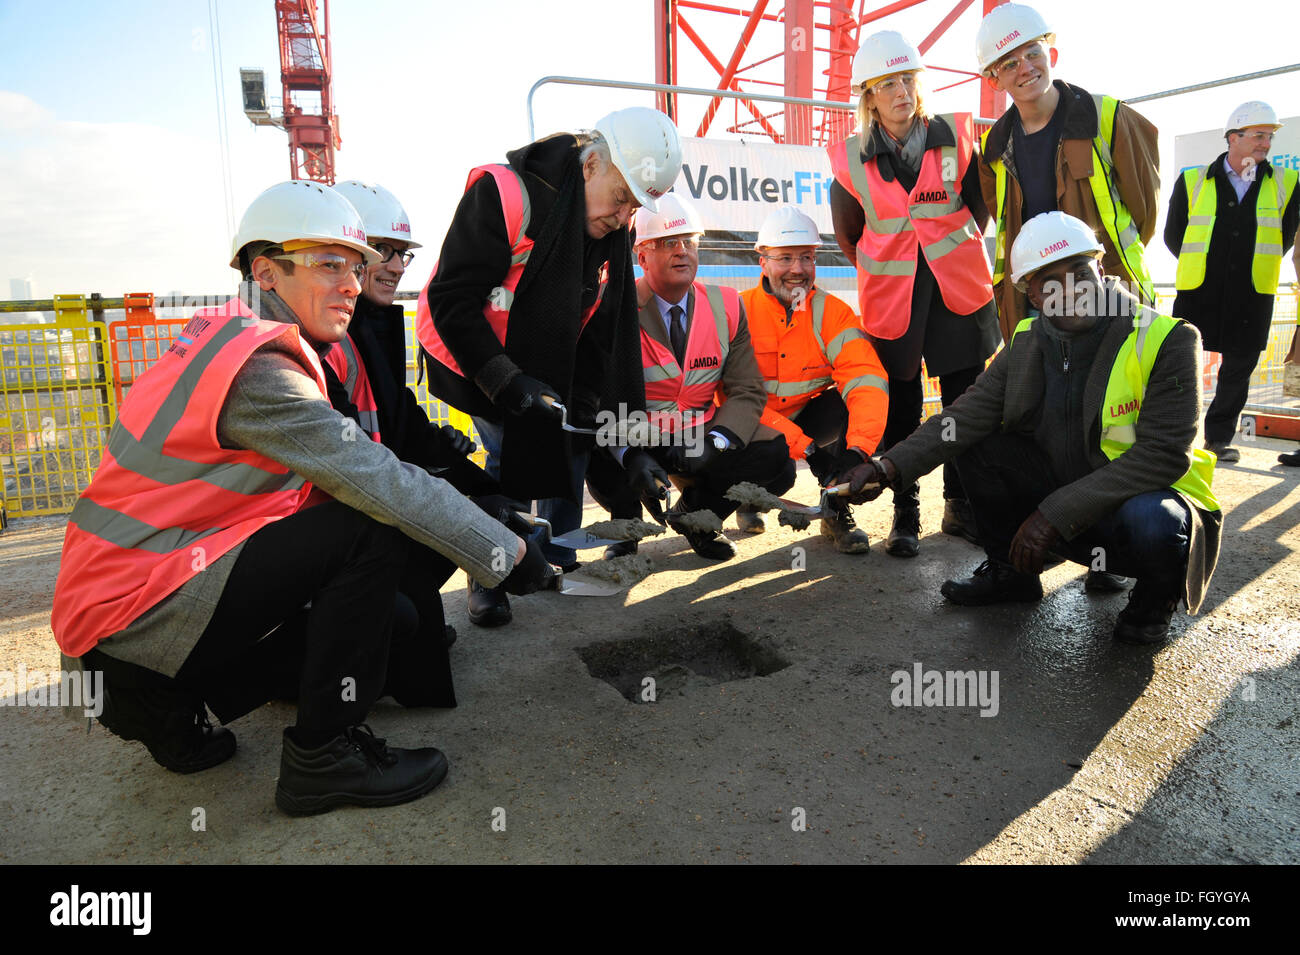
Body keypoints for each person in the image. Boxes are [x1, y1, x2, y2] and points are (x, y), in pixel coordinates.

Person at [50, 181, 556, 814]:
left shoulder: (222, 336)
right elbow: (382, 482)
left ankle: (175, 708)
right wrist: (504, 553)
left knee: (392, 620)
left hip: (114, 631)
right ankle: (323, 757)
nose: (353, 282)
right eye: (329, 263)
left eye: (358, 265)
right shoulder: (262, 374)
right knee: (368, 527)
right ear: (264, 270)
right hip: (133, 621)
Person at [841, 213, 1222, 645]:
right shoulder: (1027, 341)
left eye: (1079, 271)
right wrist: (886, 468)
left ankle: (1154, 600)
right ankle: (1012, 575)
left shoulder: (1165, 338)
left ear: (1100, 269)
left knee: (1155, 521)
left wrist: (1052, 514)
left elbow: (1163, 456)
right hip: (1068, 502)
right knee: (975, 443)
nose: (1070, 290)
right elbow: (961, 419)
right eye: (1049, 282)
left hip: (1131, 505)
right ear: (1033, 295)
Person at [417, 107, 681, 626]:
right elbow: (453, 300)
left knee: (570, 439)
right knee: (504, 457)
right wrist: (504, 381)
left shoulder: (610, 230)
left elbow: (602, 328)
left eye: (636, 205)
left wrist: (583, 407)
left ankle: (553, 553)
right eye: (622, 196)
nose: (625, 215)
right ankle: (490, 575)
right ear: (590, 166)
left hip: (548, 356)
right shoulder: (503, 194)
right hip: (473, 353)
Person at [828, 29, 999, 559]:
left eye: (907, 79)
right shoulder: (851, 161)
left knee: (963, 405)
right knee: (901, 412)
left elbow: (980, 207)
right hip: (894, 301)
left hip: (959, 294)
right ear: (869, 97)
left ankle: (960, 505)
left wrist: (942, 253)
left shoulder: (957, 137)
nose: (900, 91)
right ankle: (906, 513)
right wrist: (899, 264)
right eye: (887, 84)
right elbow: (849, 236)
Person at [587, 193, 795, 561]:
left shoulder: (728, 305)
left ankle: (698, 518)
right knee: (594, 442)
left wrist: (713, 443)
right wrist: (629, 453)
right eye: (669, 243)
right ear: (642, 257)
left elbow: (747, 392)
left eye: (690, 241)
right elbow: (598, 397)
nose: (682, 251)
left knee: (774, 456)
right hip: (638, 432)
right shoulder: (616, 309)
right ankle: (626, 524)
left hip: (697, 434)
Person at [976, 2, 1160, 342]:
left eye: (1033, 53)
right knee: (1051, 392)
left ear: (1052, 54)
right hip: (1037, 297)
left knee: (1119, 391)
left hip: (1108, 289)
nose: (1026, 68)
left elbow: (1144, 211)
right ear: (994, 80)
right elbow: (1003, 221)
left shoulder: (1107, 117)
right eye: (1010, 63)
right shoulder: (993, 148)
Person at [739, 205, 888, 553]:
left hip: (805, 418)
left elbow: (866, 377)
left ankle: (835, 508)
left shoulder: (833, 313)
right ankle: (744, 498)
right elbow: (734, 402)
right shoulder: (738, 313)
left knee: (849, 402)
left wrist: (858, 452)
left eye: (806, 257)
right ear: (762, 261)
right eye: (785, 258)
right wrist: (806, 448)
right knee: (779, 472)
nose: (798, 270)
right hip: (750, 427)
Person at [1164, 101, 1299, 463]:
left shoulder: (1286, 182)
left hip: (1253, 290)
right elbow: (1174, 235)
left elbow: (1285, 236)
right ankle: (1174, 438)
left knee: (1239, 368)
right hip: (1199, 287)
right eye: (1258, 136)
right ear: (1233, 138)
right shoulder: (1193, 180)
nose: (1265, 144)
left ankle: (1218, 441)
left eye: (1268, 137)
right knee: (1181, 362)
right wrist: (1207, 265)